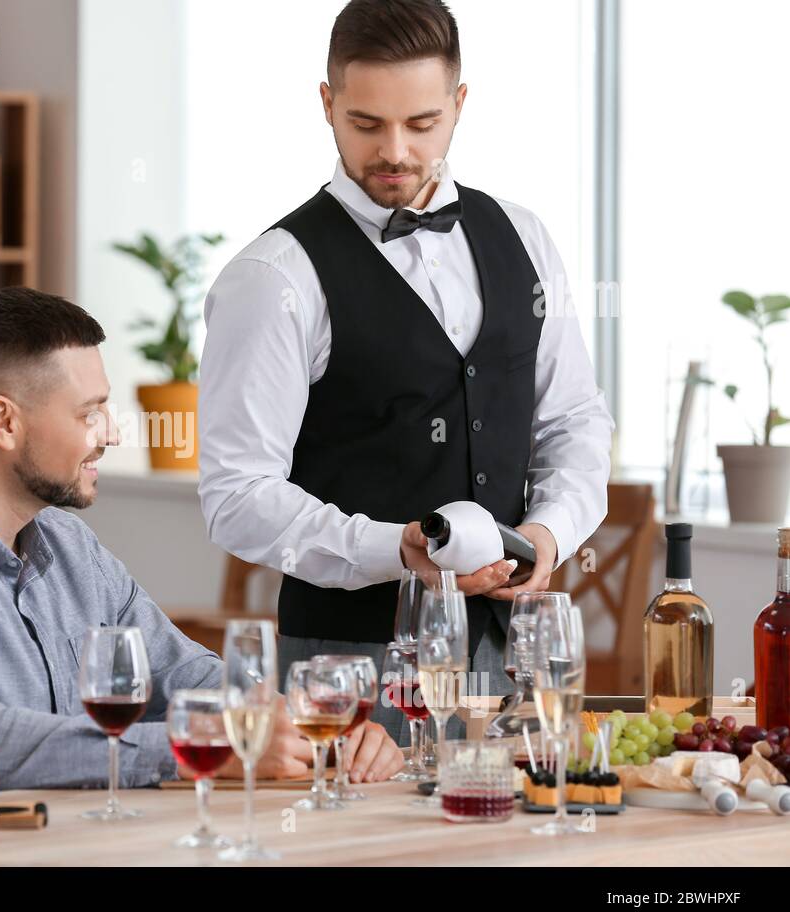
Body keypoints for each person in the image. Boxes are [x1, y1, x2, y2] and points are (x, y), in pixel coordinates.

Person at [197, 0, 614, 744]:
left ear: (459, 105)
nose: (393, 151)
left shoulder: (524, 236)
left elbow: (573, 420)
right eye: (366, 124)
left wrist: (550, 532)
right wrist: (395, 549)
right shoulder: (273, 276)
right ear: (327, 105)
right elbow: (236, 496)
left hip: (510, 661)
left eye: (421, 124)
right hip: (347, 673)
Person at [0, 286, 405, 790]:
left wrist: (313, 728)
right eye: (90, 413)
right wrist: (187, 750)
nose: (112, 432)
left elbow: (188, 675)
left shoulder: (69, 545)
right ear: (4, 422)